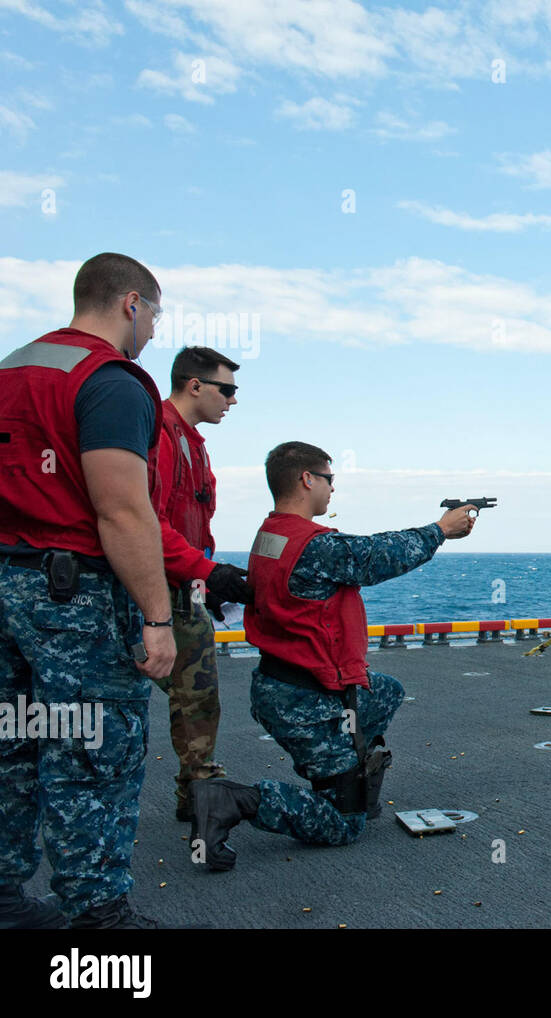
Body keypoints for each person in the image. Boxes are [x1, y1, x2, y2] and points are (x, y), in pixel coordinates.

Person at [189, 442, 476, 871]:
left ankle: (348, 779)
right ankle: (235, 800)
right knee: (344, 826)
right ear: (308, 479)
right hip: (306, 700)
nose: (331, 490)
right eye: (329, 480)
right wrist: (440, 530)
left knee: (385, 691)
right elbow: (378, 557)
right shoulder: (314, 546)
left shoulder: (271, 533)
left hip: (284, 682)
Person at [0, 252, 179, 928]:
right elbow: (122, 510)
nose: (154, 333)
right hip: (73, 601)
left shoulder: (12, 370)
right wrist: (157, 619)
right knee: (91, 754)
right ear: (131, 303)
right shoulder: (109, 380)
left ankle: (7, 901)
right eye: (155, 316)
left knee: (12, 746)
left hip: (6, 585)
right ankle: (99, 920)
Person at [148, 346, 254, 821]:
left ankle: (198, 792)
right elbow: (150, 525)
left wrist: (205, 581)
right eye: (226, 389)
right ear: (195, 385)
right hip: (156, 585)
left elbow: (192, 524)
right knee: (186, 692)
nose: (232, 401)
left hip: (185, 583)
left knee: (198, 692)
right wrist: (208, 573)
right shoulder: (161, 434)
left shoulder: (191, 440)